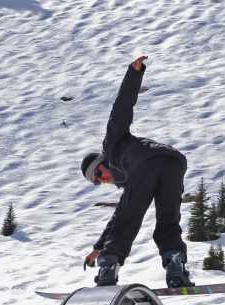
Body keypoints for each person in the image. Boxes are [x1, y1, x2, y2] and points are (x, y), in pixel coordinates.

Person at [81, 55, 194, 288]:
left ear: (101, 162)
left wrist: (134, 73)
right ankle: (175, 264)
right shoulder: (125, 177)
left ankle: (109, 267)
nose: (102, 181)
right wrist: (97, 247)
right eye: (97, 182)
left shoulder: (111, 146)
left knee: (128, 219)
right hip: (173, 163)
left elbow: (121, 108)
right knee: (168, 219)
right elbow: (118, 214)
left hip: (147, 163)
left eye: (98, 175)